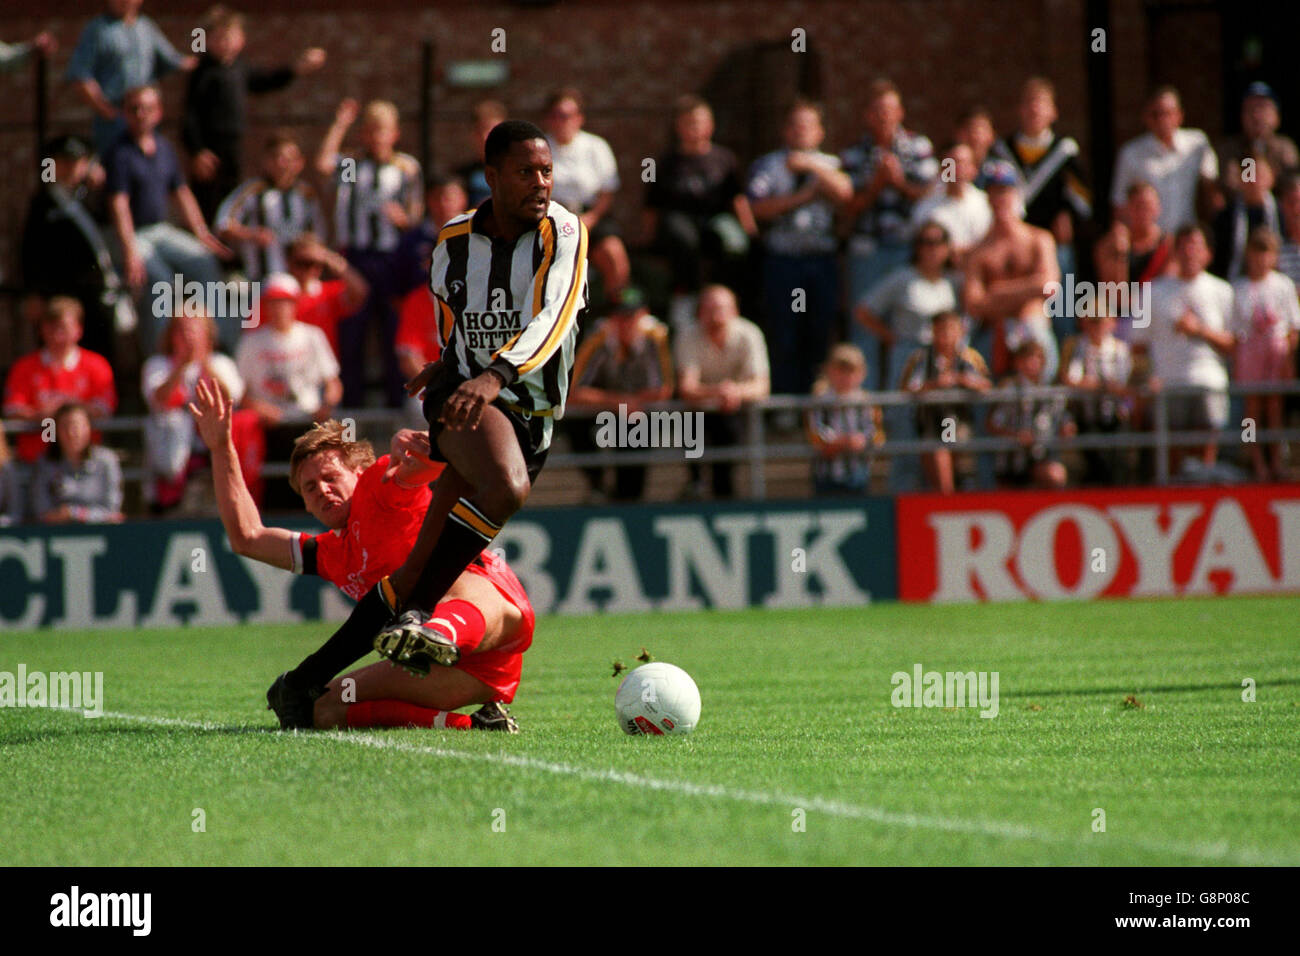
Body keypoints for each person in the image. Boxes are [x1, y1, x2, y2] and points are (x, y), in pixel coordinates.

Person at [264, 119, 586, 727]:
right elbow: (451, 324)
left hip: (531, 413)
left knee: (414, 572)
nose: (541, 182)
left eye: (546, 171)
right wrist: (460, 375)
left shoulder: (563, 231)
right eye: (526, 171)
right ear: (491, 177)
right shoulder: (453, 243)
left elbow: (556, 315)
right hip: (465, 402)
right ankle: (417, 618)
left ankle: (303, 681)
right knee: (507, 489)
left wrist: (493, 373)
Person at [188, 381, 524, 732]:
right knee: (324, 708)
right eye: (310, 487)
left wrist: (416, 445)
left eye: (331, 477)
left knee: (452, 583)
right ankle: (476, 724)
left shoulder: (378, 487)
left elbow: (424, 467)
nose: (322, 490)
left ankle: (435, 631)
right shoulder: (334, 554)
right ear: (303, 503)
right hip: (459, 673)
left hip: (491, 619)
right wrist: (220, 447)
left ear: (360, 471)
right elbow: (248, 537)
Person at [104, 84, 229, 351]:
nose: (140, 114)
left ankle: (214, 343)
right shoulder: (119, 153)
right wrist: (129, 251)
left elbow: (181, 192)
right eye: (134, 109)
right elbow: (119, 203)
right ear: (125, 114)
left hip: (162, 231)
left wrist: (202, 233)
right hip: (133, 235)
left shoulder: (164, 147)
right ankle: (159, 355)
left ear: (158, 112)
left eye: (146, 108)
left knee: (204, 261)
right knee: (161, 282)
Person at [316, 98, 423, 407]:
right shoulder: (353, 165)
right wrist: (341, 123)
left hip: (392, 260)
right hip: (357, 259)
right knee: (352, 334)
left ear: (395, 134)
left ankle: (396, 404)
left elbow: (415, 214)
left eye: (383, 130)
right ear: (363, 134)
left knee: (393, 332)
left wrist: (404, 220)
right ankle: (353, 408)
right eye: (371, 130)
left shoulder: (406, 166)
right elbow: (324, 165)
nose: (377, 137)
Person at [747, 98, 852, 397]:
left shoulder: (831, 164)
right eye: (794, 125)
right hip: (785, 262)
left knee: (819, 331)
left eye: (807, 125)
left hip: (821, 261)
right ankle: (785, 403)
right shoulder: (768, 165)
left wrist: (811, 166)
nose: (800, 131)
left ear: (819, 132)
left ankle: (814, 401)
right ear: (784, 130)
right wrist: (801, 198)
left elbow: (846, 195)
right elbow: (757, 208)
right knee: (785, 332)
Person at [182, 4, 326, 223]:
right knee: (207, 199)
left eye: (230, 37)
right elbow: (190, 114)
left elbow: (266, 81)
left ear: (241, 39)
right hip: (210, 148)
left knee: (231, 195)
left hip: (234, 145)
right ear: (208, 40)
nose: (225, 43)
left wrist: (296, 69)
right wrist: (197, 150)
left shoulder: (239, 68)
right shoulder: (203, 71)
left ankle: (231, 246)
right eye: (219, 37)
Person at [840, 79, 939, 391]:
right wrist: (876, 185)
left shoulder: (919, 148)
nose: (884, 117)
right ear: (868, 116)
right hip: (866, 250)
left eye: (889, 110)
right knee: (865, 325)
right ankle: (864, 406)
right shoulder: (853, 155)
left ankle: (900, 406)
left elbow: (928, 195)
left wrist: (897, 182)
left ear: (901, 112)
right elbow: (847, 208)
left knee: (904, 329)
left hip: (906, 250)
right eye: (877, 112)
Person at [855, 220, 963, 492]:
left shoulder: (952, 282)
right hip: (909, 361)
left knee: (943, 439)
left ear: (948, 248)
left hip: (942, 368)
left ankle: (940, 504)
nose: (931, 248)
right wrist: (894, 338)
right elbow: (864, 310)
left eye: (938, 242)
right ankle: (901, 504)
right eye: (925, 242)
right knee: (906, 437)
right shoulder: (903, 278)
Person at [21, 134, 132, 363]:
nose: (71, 168)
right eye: (65, 161)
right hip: (62, 293)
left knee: (101, 354)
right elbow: (30, 250)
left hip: (96, 293)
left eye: (78, 161)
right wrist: (33, 291)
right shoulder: (45, 202)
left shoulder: (94, 198)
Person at [235, 272, 342, 507]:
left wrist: (327, 405)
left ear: (294, 304)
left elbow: (333, 382)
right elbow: (239, 392)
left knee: (313, 481)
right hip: (269, 428)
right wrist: (262, 409)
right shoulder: (252, 341)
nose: (278, 309)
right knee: (275, 488)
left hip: (308, 422)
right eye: (273, 302)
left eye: (284, 302)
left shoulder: (312, 336)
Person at [1135, 224, 1235, 474]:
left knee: (1205, 451)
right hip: (1168, 383)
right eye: (1184, 247)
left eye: (1196, 246)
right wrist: (1149, 377)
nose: (1190, 252)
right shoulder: (1152, 292)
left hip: (1209, 381)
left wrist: (1199, 330)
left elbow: (1233, 345)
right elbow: (1137, 346)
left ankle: (1207, 495)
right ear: (1175, 253)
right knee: (1172, 453)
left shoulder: (1222, 291)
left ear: (1208, 254)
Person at [644, 95, 757, 315]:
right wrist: (649, 238)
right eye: (689, 123)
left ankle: (724, 298)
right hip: (679, 222)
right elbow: (652, 204)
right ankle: (685, 297)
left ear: (711, 125)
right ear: (679, 127)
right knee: (683, 239)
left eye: (699, 122)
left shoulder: (724, 158)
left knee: (736, 244)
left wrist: (750, 230)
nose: (694, 128)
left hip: (715, 219)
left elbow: (737, 198)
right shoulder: (664, 162)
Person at [566, 286, 674, 502]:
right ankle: (597, 484)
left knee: (637, 425)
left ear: (643, 314)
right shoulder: (598, 338)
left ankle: (630, 498)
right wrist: (618, 401)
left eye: (631, 315)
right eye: (619, 315)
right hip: (606, 407)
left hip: (640, 411)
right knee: (573, 422)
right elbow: (572, 391)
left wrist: (630, 403)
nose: (625, 322)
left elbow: (664, 388)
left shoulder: (656, 337)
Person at [142, 310, 251, 513]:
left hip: (212, 451)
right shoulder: (158, 365)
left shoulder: (221, 363)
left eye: (194, 330)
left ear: (207, 334)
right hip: (172, 452)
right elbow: (158, 399)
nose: (188, 336)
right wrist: (181, 365)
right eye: (181, 330)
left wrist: (204, 364)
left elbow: (231, 399)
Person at [964, 160, 1060, 381]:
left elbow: (1048, 286)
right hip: (996, 335)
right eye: (994, 192)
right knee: (990, 393)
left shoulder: (1038, 239)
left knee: (1039, 395)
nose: (1000, 199)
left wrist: (997, 291)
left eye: (1005, 191)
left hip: (1034, 327)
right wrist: (1026, 291)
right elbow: (973, 303)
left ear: (1016, 194)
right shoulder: (979, 251)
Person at [675, 284, 771, 499]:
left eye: (721, 309)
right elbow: (686, 388)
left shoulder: (749, 334)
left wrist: (734, 392)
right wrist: (719, 392)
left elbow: (762, 386)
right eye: (709, 310)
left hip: (734, 412)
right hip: (699, 413)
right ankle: (696, 483)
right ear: (699, 312)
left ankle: (723, 490)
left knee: (728, 431)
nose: (716, 316)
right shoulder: (688, 335)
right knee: (692, 423)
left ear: (735, 311)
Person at [65, 0, 196, 155]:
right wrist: (104, 109)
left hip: (145, 117)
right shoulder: (97, 29)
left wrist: (207, 61)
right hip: (115, 119)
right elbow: (80, 76)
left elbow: (174, 61)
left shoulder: (146, 27)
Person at [3, 297, 117, 463]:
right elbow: (13, 410)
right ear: (42, 329)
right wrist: (41, 414)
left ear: (78, 329)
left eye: (63, 327)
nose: (57, 335)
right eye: (51, 327)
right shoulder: (24, 367)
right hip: (35, 461)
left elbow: (104, 408)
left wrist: (66, 413)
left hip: (84, 462)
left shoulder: (96, 365)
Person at [543, 87, 630, 301]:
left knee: (614, 254)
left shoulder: (596, 146)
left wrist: (590, 219)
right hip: (550, 217)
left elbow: (607, 191)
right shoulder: (539, 147)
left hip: (591, 216)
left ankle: (618, 315)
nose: (562, 121)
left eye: (567, 115)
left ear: (579, 118)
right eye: (556, 115)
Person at [1229, 227, 1300, 481]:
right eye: (1256, 253)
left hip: (1276, 351)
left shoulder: (1282, 285)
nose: (1260, 259)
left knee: (1274, 407)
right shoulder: (1239, 288)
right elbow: (1236, 332)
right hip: (1250, 353)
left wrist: (1288, 360)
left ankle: (1277, 460)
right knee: (1252, 411)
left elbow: (1293, 328)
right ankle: (1256, 460)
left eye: (1266, 253)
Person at [900, 310, 991, 495]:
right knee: (936, 455)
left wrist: (962, 379)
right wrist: (934, 384)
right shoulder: (921, 357)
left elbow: (986, 384)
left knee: (944, 450)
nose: (946, 336)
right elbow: (907, 388)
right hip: (929, 418)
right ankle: (944, 496)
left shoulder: (968, 357)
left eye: (951, 330)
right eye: (941, 331)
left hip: (954, 419)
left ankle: (947, 496)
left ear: (960, 332)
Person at [215, 133, 327, 281]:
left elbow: (318, 236)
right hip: (261, 280)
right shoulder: (252, 191)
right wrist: (251, 234)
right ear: (266, 161)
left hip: (298, 282)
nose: (282, 163)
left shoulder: (306, 195)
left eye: (288, 159)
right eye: (276, 157)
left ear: (300, 163)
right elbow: (222, 225)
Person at [1111, 86, 1219, 233]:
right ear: (1146, 117)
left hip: (1186, 242)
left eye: (1167, 113)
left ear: (1179, 115)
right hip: (1153, 244)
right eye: (1155, 114)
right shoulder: (1131, 153)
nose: (1162, 120)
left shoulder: (1197, 144)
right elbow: (1120, 205)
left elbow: (1213, 191)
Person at [1093, 180, 1175, 339]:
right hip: (1121, 318)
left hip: (1153, 315)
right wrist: (1121, 254)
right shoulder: (1107, 246)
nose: (1144, 212)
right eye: (1138, 207)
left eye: (1148, 206)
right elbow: (1116, 297)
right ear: (1127, 209)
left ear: (1158, 208)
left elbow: (1164, 290)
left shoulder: (1169, 246)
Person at [987, 340, 1075, 489]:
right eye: (1026, 359)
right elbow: (992, 424)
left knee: (1054, 474)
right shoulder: (1009, 388)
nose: (1031, 364)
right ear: (1017, 363)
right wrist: (1015, 435)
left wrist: (1067, 428)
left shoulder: (1050, 389)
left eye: (1036, 359)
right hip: (1012, 457)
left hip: (1042, 454)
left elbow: (1064, 419)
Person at [1058, 310, 1132, 485]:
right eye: (1092, 321)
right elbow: (1071, 380)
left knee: (1118, 460)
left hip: (1116, 415)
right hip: (1087, 416)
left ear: (1112, 323)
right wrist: (1103, 387)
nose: (1097, 326)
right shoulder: (1077, 347)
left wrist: (1097, 386)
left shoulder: (1119, 349)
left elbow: (1122, 386)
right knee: (1096, 459)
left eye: (1101, 321)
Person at [805, 343, 881, 496]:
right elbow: (816, 437)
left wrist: (863, 441)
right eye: (841, 371)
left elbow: (877, 436)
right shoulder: (819, 401)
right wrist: (845, 443)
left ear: (862, 373)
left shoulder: (868, 402)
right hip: (826, 477)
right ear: (829, 371)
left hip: (858, 474)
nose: (846, 377)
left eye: (851, 371)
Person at [31, 402, 124, 524]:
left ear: (88, 428)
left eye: (76, 426)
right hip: (58, 535)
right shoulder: (45, 463)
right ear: (55, 431)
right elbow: (42, 510)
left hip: (100, 533)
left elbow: (112, 510)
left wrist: (74, 513)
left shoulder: (106, 461)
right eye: (64, 426)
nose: (71, 433)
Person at [286, 232, 369, 360]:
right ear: (289, 262)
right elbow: (252, 333)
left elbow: (361, 292)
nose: (310, 269)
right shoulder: (274, 293)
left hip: (322, 370)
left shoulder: (327, 292)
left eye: (316, 264)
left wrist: (333, 261)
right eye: (303, 263)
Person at [908, 142, 991, 265]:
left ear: (974, 169)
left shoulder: (988, 204)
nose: (957, 169)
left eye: (963, 163)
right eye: (950, 163)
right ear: (943, 169)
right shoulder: (925, 207)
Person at [1218, 82, 1299, 198]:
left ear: (1276, 117)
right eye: (1250, 109)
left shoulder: (1285, 148)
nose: (1256, 116)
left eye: (1263, 109)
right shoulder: (1229, 149)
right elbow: (1228, 184)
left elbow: (1291, 185)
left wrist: (1267, 180)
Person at [1211, 154, 1281, 279]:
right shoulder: (1226, 217)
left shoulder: (1282, 213)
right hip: (1236, 281)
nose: (1254, 181)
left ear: (1272, 177)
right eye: (1248, 175)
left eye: (1259, 175)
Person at [455, 99, 507, 209]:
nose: (485, 137)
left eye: (490, 131)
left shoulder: (519, 172)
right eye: (480, 131)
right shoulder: (461, 176)